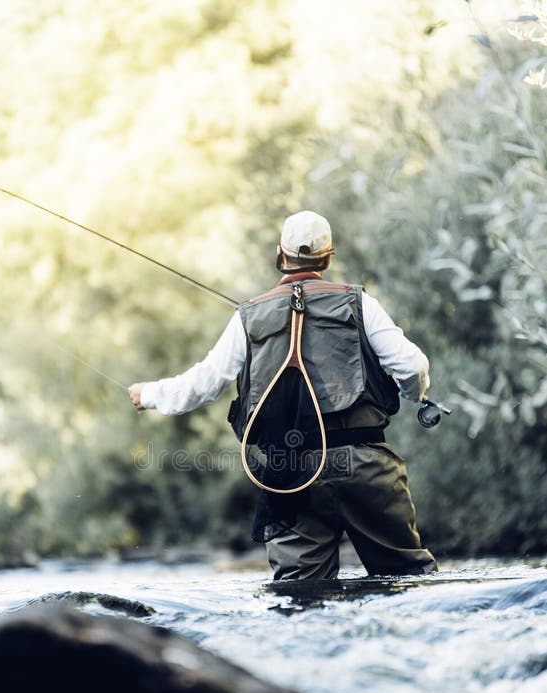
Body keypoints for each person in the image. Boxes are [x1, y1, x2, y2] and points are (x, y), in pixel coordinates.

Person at [129, 211, 437, 580]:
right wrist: (414, 396)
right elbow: (412, 366)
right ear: (327, 257)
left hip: (291, 473)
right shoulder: (360, 304)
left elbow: (205, 382)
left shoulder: (248, 316)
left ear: (280, 255)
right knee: (407, 579)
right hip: (366, 464)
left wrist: (150, 394)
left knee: (299, 595)